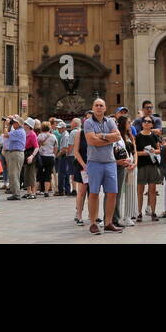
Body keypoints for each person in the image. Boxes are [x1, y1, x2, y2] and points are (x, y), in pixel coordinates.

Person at [83, 98, 123, 234]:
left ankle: (108, 223)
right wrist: (108, 138)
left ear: (105, 108)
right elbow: (91, 140)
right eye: (96, 105)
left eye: (101, 105)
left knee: (112, 193)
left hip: (110, 162)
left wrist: (102, 136)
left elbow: (118, 136)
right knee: (94, 193)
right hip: (94, 162)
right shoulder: (88, 122)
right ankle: (93, 223)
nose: (99, 107)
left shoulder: (110, 121)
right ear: (93, 108)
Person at [134, 115, 164, 221]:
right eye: (145, 121)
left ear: (152, 124)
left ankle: (153, 212)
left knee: (152, 190)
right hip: (141, 165)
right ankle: (139, 213)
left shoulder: (154, 136)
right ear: (142, 124)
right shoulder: (137, 137)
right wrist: (145, 153)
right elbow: (135, 152)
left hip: (153, 165)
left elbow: (159, 150)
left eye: (149, 121)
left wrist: (153, 151)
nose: (147, 123)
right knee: (140, 191)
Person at [114, 107, 138, 226]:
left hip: (132, 167)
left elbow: (135, 151)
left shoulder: (130, 135)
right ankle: (115, 216)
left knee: (131, 191)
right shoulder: (118, 136)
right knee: (118, 192)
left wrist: (135, 163)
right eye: (129, 122)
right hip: (122, 166)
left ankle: (128, 216)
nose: (131, 124)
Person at [0, 115, 27, 200]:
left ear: (19, 124)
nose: (13, 124)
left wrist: (6, 125)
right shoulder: (19, 131)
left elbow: (6, 134)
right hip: (16, 153)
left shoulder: (18, 131)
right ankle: (15, 192)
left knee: (14, 174)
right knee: (15, 173)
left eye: (15, 122)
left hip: (16, 153)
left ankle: (16, 194)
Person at [70, 117, 89, 225]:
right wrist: (83, 164)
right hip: (83, 165)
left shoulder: (95, 133)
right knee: (82, 191)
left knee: (93, 192)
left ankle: (93, 215)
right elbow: (76, 151)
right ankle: (79, 215)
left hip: (94, 165)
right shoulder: (79, 134)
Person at [36, 120, 58, 197]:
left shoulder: (39, 136)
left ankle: (36, 190)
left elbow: (37, 146)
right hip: (50, 156)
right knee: (48, 174)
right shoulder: (53, 136)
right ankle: (46, 191)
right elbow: (56, 147)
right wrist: (54, 155)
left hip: (41, 156)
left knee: (39, 173)